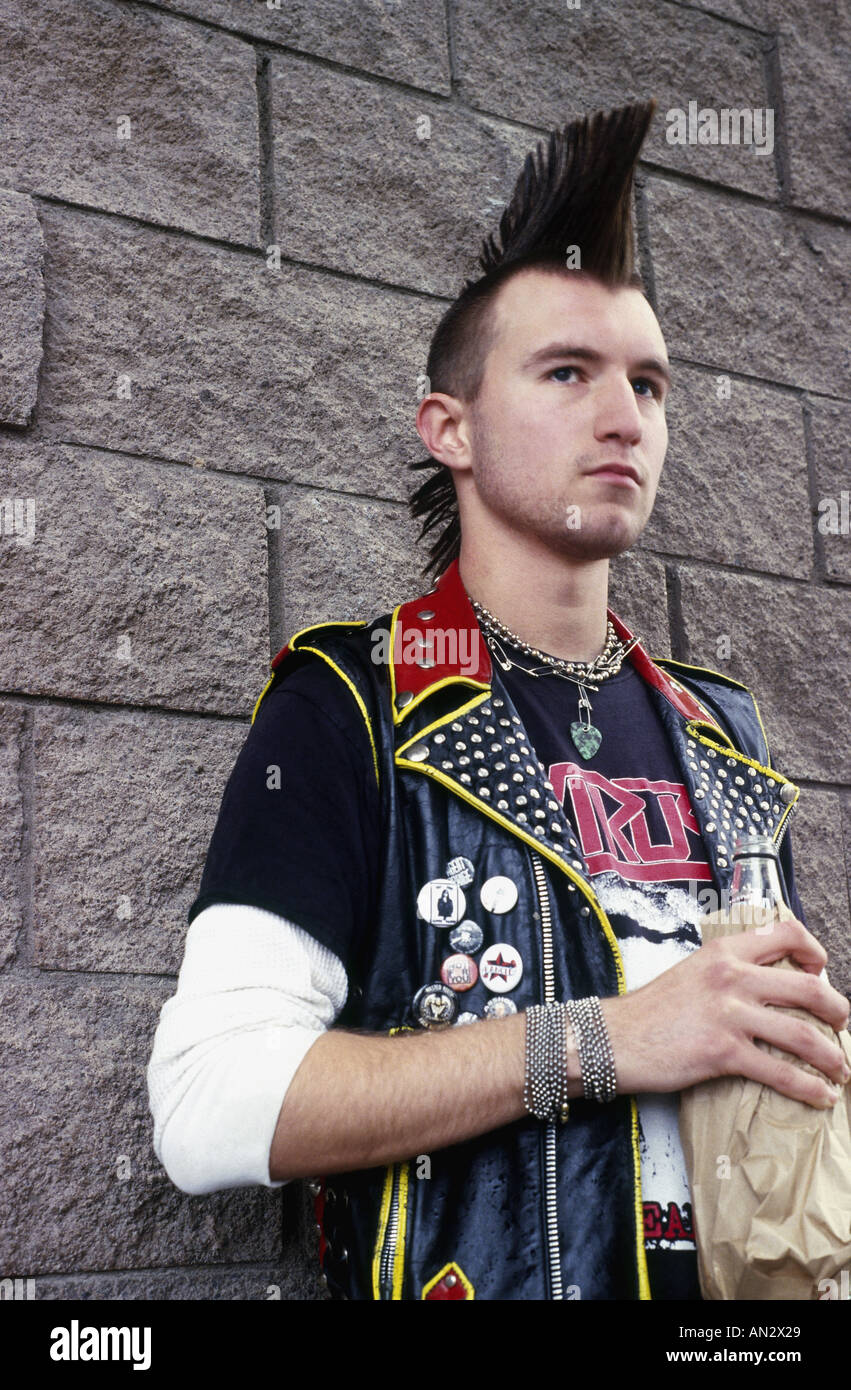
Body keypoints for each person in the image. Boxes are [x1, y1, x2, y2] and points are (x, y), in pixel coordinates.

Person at [146, 98, 850, 1301]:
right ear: (450, 428)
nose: (624, 417)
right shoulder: (349, 704)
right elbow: (207, 1107)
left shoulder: (721, 735)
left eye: (649, 383)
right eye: (567, 372)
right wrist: (607, 1040)